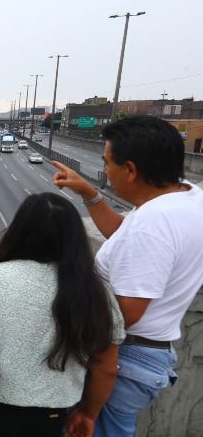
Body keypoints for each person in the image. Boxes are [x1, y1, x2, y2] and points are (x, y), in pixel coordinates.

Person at [52, 115, 203, 436]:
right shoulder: (187, 198)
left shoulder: (154, 223)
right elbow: (126, 236)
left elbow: (126, 315)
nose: (104, 169)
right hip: (148, 354)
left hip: (125, 360)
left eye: (107, 163)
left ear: (131, 169)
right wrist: (89, 194)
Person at [0, 192, 125, 437]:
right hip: (51, 417)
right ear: (75, 240)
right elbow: (106, 367)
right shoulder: (93, 291)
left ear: (18, 232)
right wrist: (88, 413)